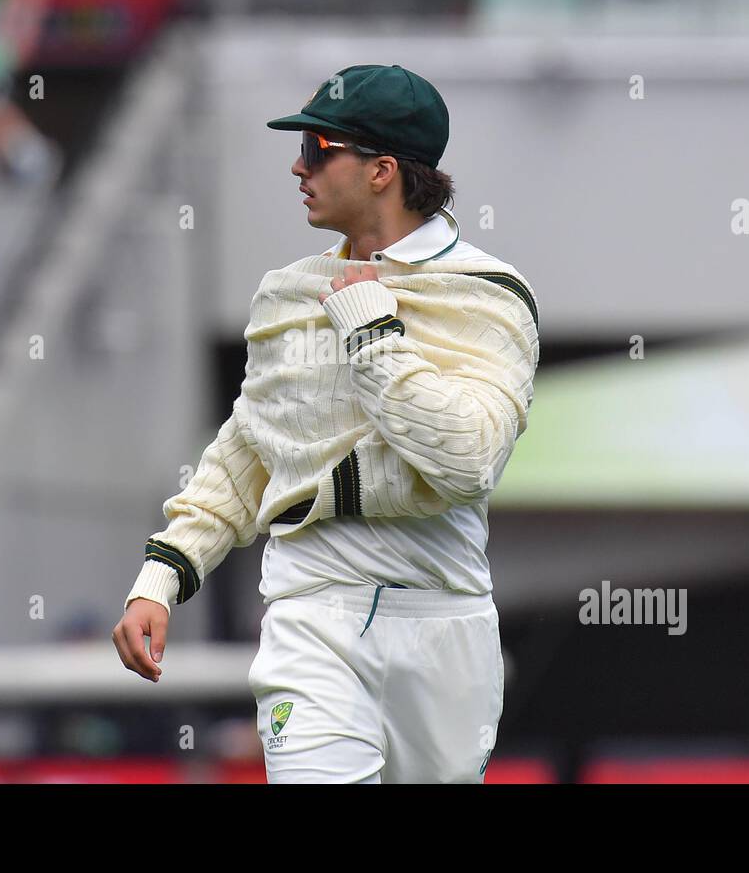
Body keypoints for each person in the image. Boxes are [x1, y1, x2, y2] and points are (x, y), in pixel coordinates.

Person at [114, 64, 540, 783]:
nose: (297, 164)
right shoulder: (285, 294)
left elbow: (467, 460)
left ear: (381, 171)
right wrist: (161, 574)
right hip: (309, 610)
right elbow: (248, 452)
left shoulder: (490, 295)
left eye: (317, 147)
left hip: (443, 621)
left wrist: (372, 333)